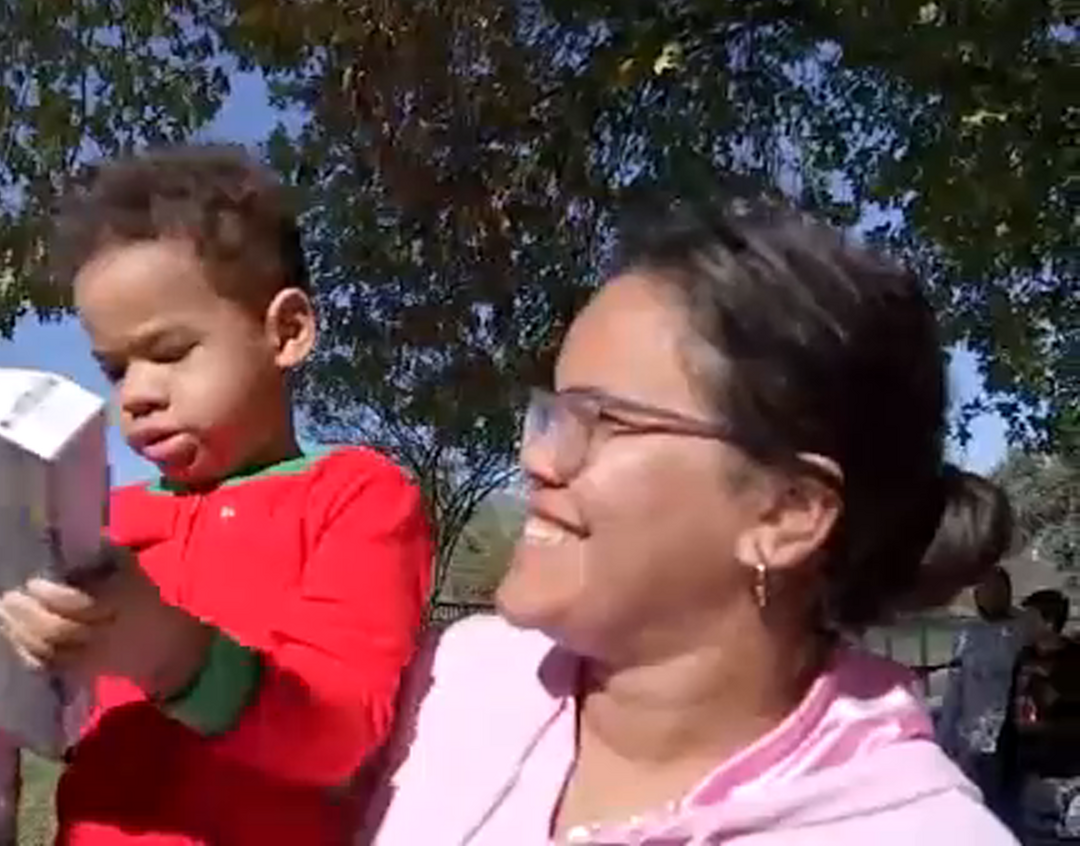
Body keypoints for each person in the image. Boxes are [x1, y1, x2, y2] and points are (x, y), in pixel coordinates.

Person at [360, 199, 1018, 844]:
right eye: (552, 413)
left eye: (600, 420)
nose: (535, 457)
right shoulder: (449, 683)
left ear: (786, 513)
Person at [0, 145, 434, 845]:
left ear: (286, 332)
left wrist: (172, 656)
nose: (135, 395)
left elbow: (341, 732)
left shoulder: (356, 497)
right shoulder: (111, 520)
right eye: (114, 369)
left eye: (169, 352)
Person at [934, 565, 1026, 819]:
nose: (991, 595)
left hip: (1014, 741)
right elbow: (955, 688)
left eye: (998, 589)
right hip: (973, 739)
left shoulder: (1023, 630)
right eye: (984, 589)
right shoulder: (966, 634)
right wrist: (944, 739)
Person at [1000, 589, 1080, 844]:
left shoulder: (1074, 660)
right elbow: (1012, 710)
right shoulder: (1024, 657)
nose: (1023, 624)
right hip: (1028, 770)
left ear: (1049, 622)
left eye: (1030, 618)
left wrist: (1058, 697)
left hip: (1066, 775)